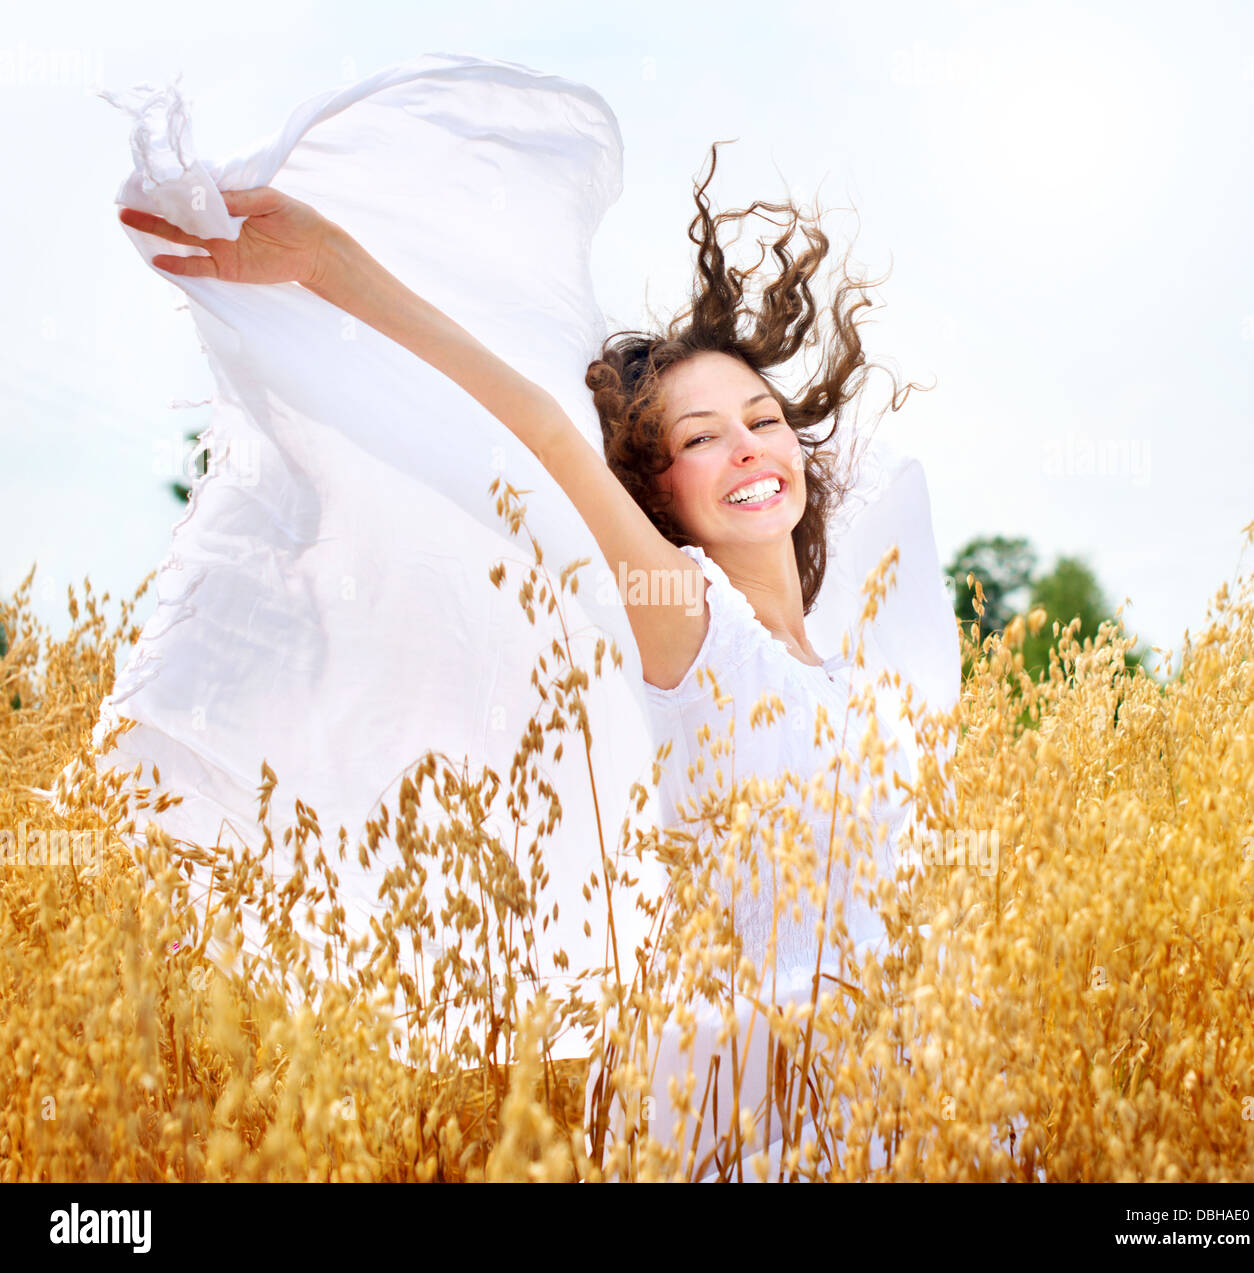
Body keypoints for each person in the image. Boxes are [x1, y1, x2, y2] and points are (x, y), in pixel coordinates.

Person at [66, 53, 962, 1177]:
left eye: (761, 418)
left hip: (910, 1090)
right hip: (746, 1100)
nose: (744, 447)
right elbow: (538, 429)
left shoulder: (868, 669)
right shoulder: (690, 626)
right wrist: (339, 267)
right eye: (696, 438)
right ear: (662, 491)